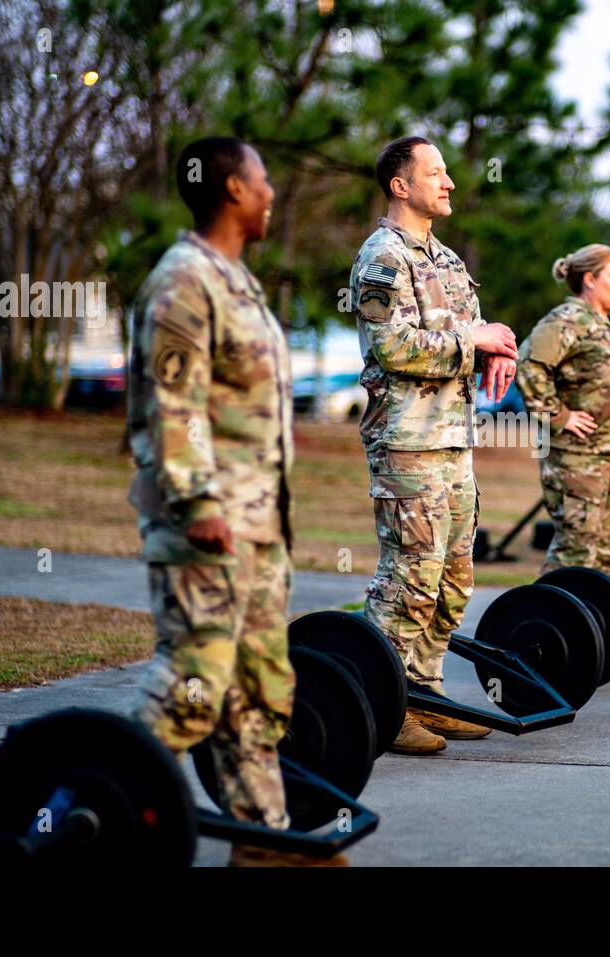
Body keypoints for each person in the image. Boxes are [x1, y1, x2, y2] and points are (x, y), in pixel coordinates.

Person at [126, 136, 325, 866]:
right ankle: (82, 783)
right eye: (263, 178)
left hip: (258, 527)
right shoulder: (184, 281)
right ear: (234, 189)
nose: (272, 191)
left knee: (258, 691)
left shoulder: (237, 281)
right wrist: (199, 503)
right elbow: (170, 407)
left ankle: (266, 843)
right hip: (205, 524)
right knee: (195, 682)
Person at [350, 136, 519, 755]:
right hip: (406, 442)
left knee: (452, 579)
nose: (449, 184)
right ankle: (380, 706)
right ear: (401, 185)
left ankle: (423, 695)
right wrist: (474, 342)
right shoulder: (382, 258)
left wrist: (499, 353)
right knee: (409, 577)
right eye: (436, 173)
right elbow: (391, 347)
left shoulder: (446, 259)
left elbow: (473, 335)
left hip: (453, 439)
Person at [517, 244, 610, 576]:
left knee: (608, 548)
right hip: (578, 456)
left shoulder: (607, 324)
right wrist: (560, 417)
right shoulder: (567, 320)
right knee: (576, 549)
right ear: (590, 279)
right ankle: (552, 623)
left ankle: (596, 623)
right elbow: (528, 366)